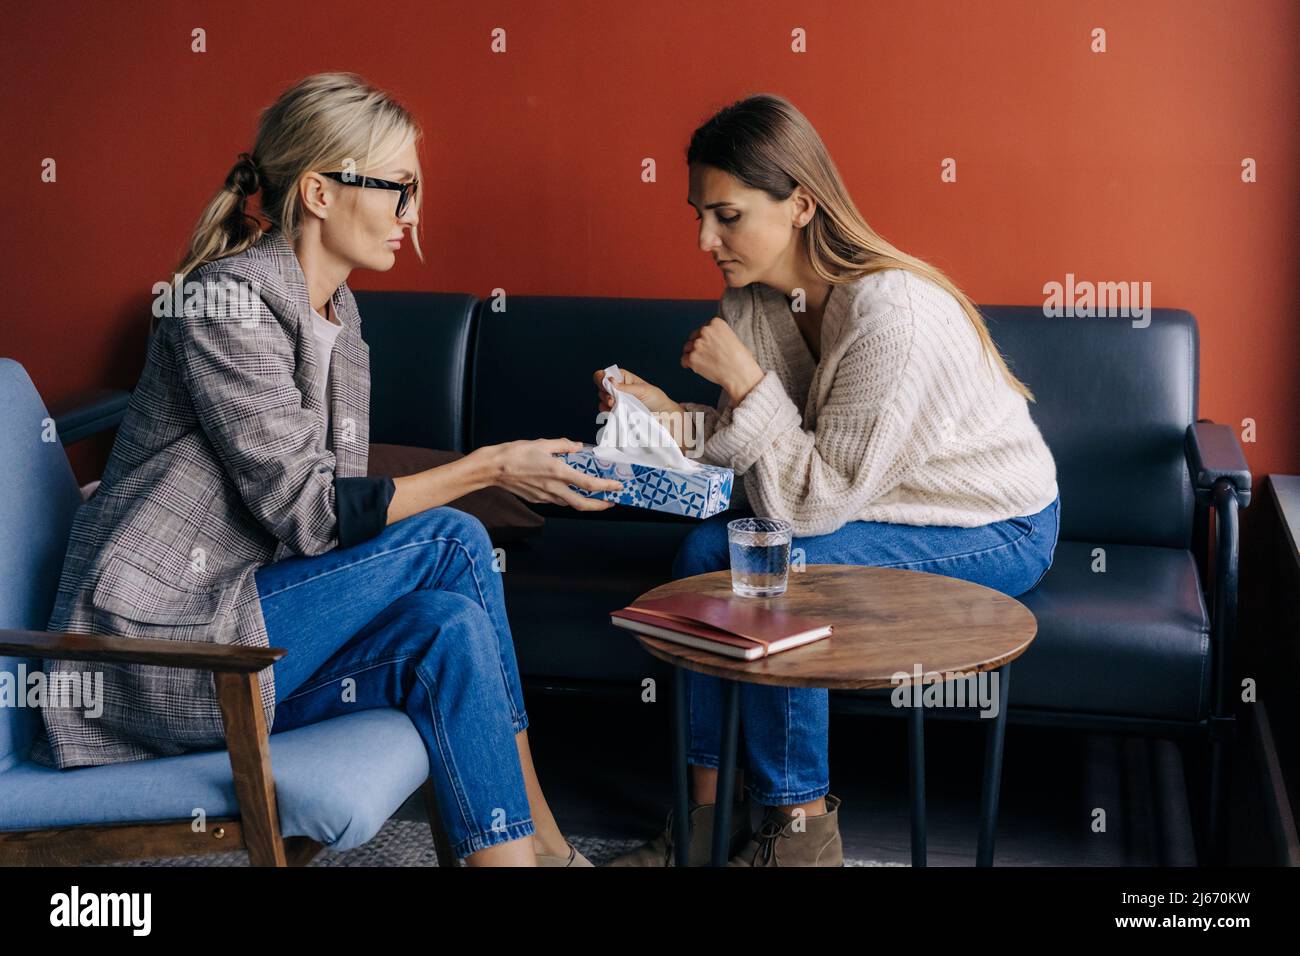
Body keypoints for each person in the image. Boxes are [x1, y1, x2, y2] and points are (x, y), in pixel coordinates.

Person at [34, 72, 624, 867]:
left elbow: (330, 534)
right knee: (451, 539)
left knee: (446, 631)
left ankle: (518, 859)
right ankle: (549, 849)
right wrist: (490, 467)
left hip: (248, 625)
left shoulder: (342, 320)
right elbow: (314, 514)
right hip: (155, 645)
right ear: (318, 191)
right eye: (398, 190)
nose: (412, 217)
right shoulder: (223, 306)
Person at [604, 93, 1061, 867]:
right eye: (697, 214)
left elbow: (807, 503)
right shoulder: (752, 303)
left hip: (991, 526)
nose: (704, 239)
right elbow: (754, 455)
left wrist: (749, 386)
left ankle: (799, 832)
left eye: (726, 215)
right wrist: (666, 418)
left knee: (781, 571)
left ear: (801, 205)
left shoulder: (895, 320)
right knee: (699, 559)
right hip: (859, 502)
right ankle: (704, 826)